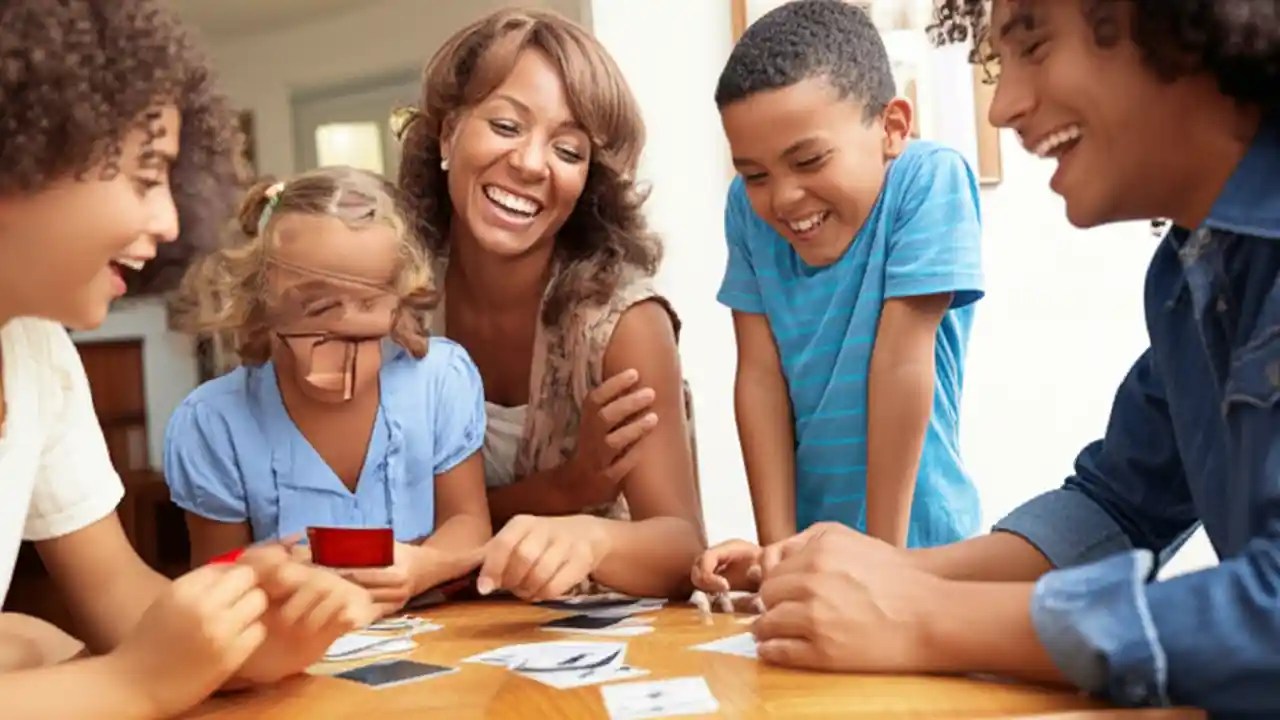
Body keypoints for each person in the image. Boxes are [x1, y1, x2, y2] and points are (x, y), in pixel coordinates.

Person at [745, 0, 1280, 715]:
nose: (1004, 107)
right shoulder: (1185, 280)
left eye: (1034, 46)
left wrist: (925, 619)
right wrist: (888, 576)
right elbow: (1114, 509)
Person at [0, 2, 374, 718]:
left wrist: (239, 633)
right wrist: (128, 683)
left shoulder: (36, 351)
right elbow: (130, 666)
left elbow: (119, 599)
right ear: (23, 157)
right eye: (145, 177)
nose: (170, 221)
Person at [396, 7, 705, 601]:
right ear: (448, 134)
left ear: (589, 180)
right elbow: (384, 522)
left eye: (569, 151)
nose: (532, 164)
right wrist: (563, 489)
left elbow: (680, 548)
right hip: (431, 639)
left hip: (590, 647)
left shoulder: (624, 325)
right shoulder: (394, 307)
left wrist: (592, 540)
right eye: (507, 126)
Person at [692, 0, 985, 599]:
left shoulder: (928, 180)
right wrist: (776, 553)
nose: (784, 198)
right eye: (755, 174)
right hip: (812, 551)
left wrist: (883, 560)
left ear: (892, 127)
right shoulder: (745, 217)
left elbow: (902, 362)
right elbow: (760, 377)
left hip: (918, 545)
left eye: (808, 160)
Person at [165, 167, 492, 617]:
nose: (345, 322)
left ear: (398, 297)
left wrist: (422, 568)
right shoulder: (214, 423)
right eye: (318, 304)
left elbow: (469, 523)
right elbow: (213, 586)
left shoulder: (439, 380)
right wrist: (273, 578)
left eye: (368, 301)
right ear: (262, 300)